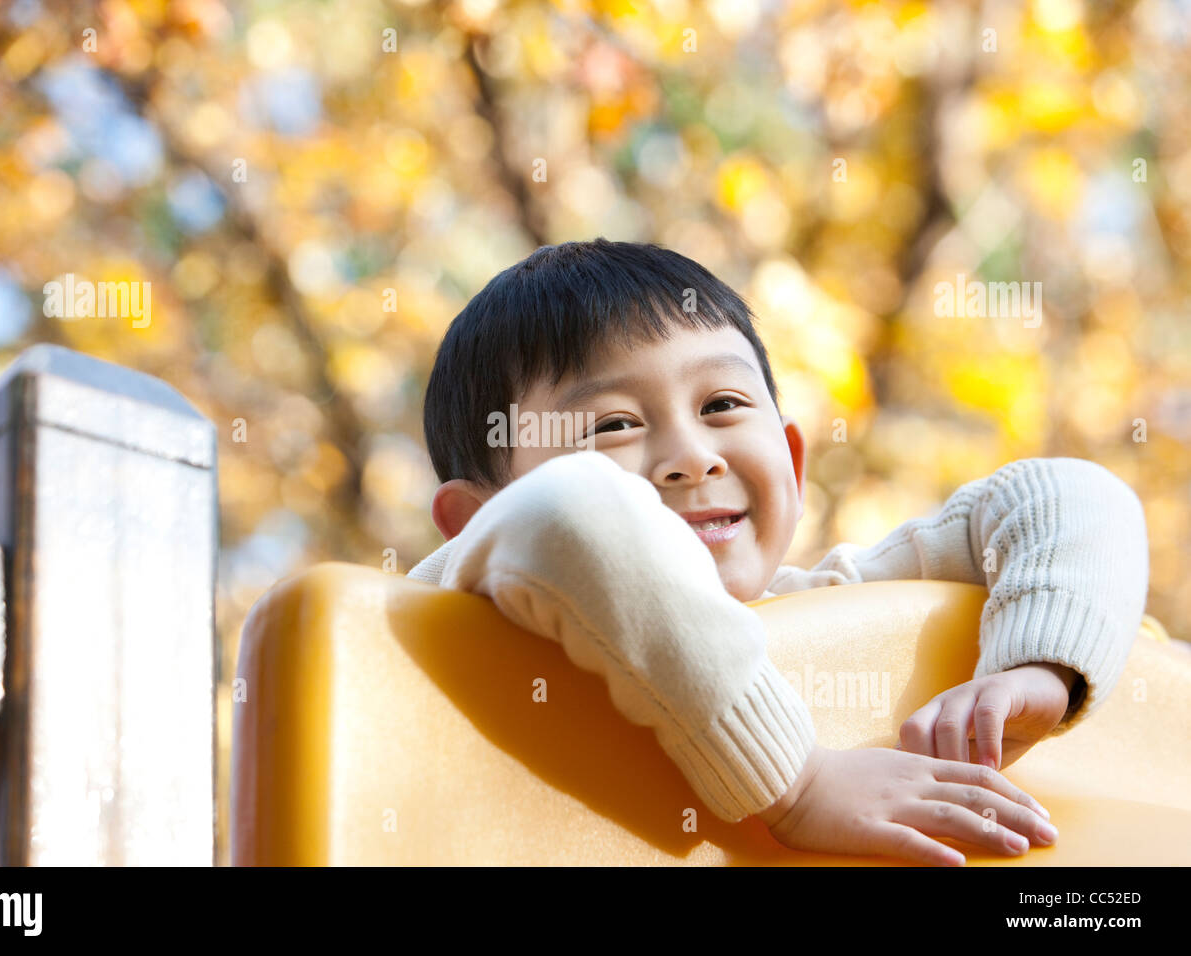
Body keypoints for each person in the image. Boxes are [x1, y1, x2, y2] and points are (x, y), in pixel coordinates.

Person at [408, 238, 1149, 866]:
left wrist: (1041, 668)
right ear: (475, 518)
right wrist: (796, 784)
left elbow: (1066, 496)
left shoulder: (831, 603)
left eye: (722, 406)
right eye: (611, 425)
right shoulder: (468, 607)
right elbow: (573, 516)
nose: (692, 457)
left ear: (793, 465)